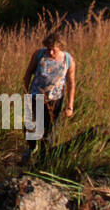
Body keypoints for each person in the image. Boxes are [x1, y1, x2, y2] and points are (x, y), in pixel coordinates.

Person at [22, 28, 76, 160]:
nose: (50, 52)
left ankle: (44, 159)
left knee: (48, 131)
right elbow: (28, 73)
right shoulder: (39, 54)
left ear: (61, 47)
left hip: (55, 100)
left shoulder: (68, 60)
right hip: (35, 95)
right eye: (48, 49)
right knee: (28, 125)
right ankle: (32, 148)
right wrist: (25, 92)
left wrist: (70, 106)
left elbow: (71, 83)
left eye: (54, 50)